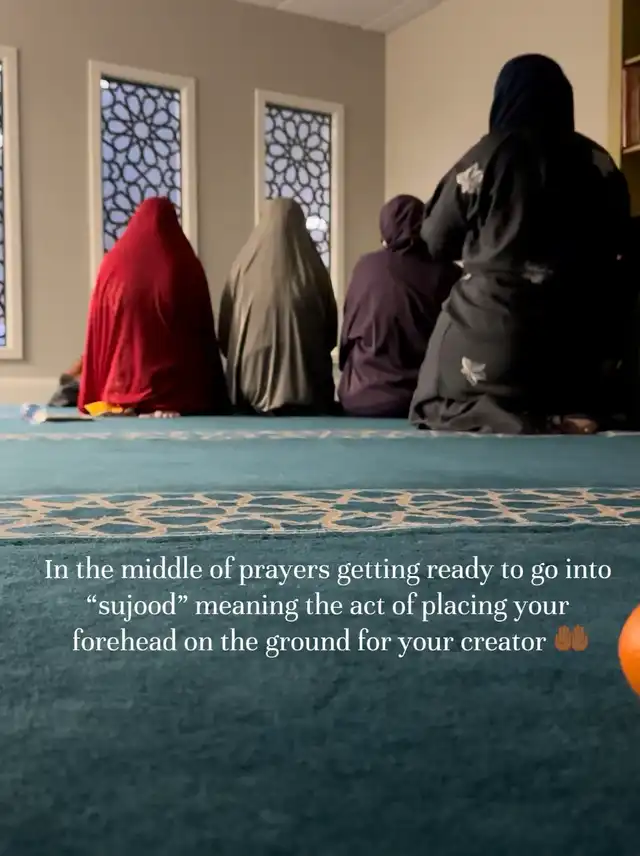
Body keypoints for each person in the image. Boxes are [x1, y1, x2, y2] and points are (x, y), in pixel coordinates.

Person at [409, 54, 630, 434]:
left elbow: (434, 239)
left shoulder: (491, 153)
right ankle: (568, 410)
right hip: (579, 343)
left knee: (434, 400)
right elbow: (621, 238)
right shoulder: (599, 162)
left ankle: (519, 418)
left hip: (496, 334)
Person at [79, 198, 230, 417]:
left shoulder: (112, 263)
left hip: (120, 381)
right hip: (178, 392)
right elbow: (200, 329)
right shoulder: (184, 263)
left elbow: (100, 323)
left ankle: (124, 398)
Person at [338, 195, 460, 418]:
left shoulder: (365, 266)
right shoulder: (447, 271)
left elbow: (347, 337)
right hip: (423, 399)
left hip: (361, 396)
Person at [219, 197, 338, 415]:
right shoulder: (315, 270)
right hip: (308, 393)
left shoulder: (241, 268)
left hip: (248, 392)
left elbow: (225, 335)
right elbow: (331, 336)